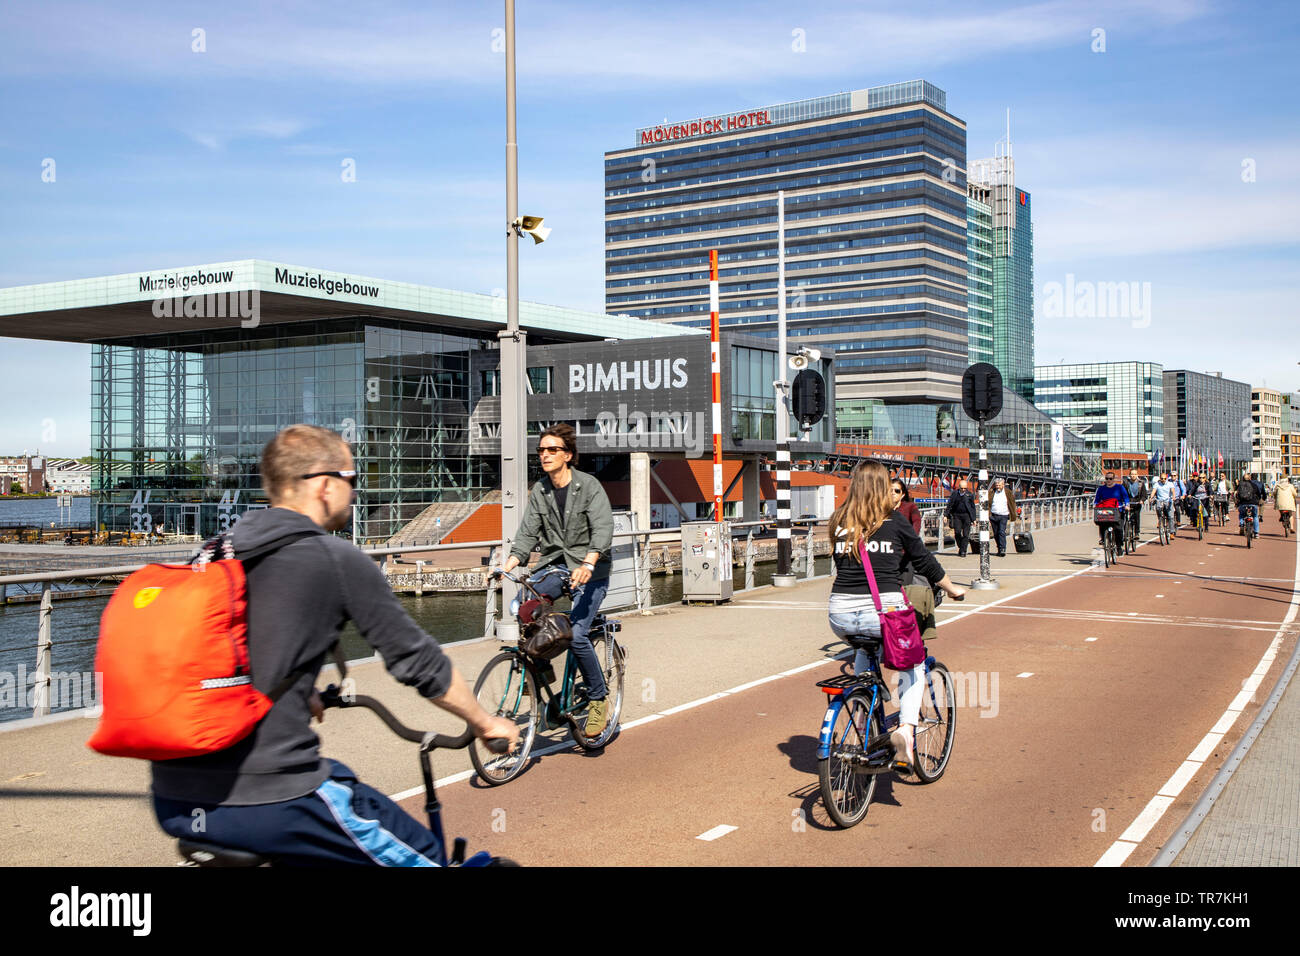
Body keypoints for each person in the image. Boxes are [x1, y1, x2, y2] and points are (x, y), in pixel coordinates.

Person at [151, 424, 519, 866]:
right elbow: (418, 662)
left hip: (175, 798)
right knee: (423, 854)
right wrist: (485, 722)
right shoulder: (334, 558)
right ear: (325, 485)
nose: (356, 491)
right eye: (353, 479)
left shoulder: (214, 554)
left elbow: (219, 650)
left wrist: (294, 687)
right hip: (274, 797)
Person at [827, 461, 966, 774]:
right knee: (913, 661)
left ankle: (862, 713)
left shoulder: (838, 520)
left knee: (864, 649)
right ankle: (905, 730)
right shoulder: (894, 522)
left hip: (839, 614)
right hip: (883, 612)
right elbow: (925, 562)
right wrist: (953, 589)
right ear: (880, 488)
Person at [500, 423, 614, 738]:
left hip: (590, 571)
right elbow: (527, 532)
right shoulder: (541, 490)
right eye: (541, 450)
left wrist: (589, 562)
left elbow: (603, 528)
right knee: (526, 607)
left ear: (568, 455)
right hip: (555, 566)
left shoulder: (589, 486)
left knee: (577, 635)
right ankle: (543, 670)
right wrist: (509, 562)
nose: (545, 455)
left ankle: (597, 699)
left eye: (552, 450)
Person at [943, 477, 977, 557]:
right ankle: (961, 547)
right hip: (957, 515)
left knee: (966, 534)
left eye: (965, 488)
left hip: (967, 516)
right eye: (962, 488)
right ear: (959, 487)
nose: (963, 490)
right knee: (957, 532)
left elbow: (973, 507)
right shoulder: (954, 494)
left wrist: (974, 519)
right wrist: (945, 515)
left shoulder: (969, 495)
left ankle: (963, 551)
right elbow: (950, 505)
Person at [1094, 472, 1131, 547]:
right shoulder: (1101, 489)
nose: (1108, 480)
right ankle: (1103, 538)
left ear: (1114, 479)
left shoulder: (1119, 487)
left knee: (1118, 529)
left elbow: (1125, 497)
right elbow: (1097, 499)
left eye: (1110, 478)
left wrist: (1127, 505)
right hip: (1106, 511)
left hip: (1117, 510)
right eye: (1107, 478)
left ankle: (1119, 546)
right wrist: (1095, 505)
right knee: (1101, 523)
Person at [985, 477, 1018, 557]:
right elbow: (987, 503)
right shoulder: (991, 492)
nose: (998, 487)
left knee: (1001, 532)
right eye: (996, 485)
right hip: (993, 515)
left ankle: (1003, 549)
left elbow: (1012, 503)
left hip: (1004, 515)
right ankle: (999, 548)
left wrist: (1013, 514)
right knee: (996, 533)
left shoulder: (1008, 492)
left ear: (1003, 485)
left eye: (999, 485)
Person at [1235, 472, 1263, 537]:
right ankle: (1256, 533)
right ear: (1250, 478)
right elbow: (1259, 494)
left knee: (1241, 514)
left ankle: (1241, 524)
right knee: (1255, 516)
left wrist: (1237, 502)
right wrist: (1258, 501)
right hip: (1253, 503)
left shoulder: (1240, 485)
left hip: (1243, 504)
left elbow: (1237, 494)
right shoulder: (1254, 485)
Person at [1150, 471, 1178, 536]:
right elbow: (1154, 491)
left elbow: (1173, 490)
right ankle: (1160, 520)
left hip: (1168, 500)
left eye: (1165, 478)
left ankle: (1171, 532)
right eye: (1162, 478)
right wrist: (1151, 497)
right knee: (1158, 508)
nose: (1163, 480)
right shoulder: (1157, 484)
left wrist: (1173, 496)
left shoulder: (1170, 484)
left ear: (1167, 478)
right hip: (1160, 500)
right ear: (1160, 478)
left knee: (1170, 516)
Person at [1125, 470, 1149, 535]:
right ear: (1129, 475)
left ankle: (1137, 532)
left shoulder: (1141, 483)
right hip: (1128, 502)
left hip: (1137, 502)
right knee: (1124, 516)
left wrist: (1142, 500)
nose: (1133, 476)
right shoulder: (1126, 483)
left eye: (1135, 474)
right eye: (1132, 474)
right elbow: (1122, 493)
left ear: (1137, 475)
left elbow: (1144, 495)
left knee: (1136, 516)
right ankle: (1125, 532)